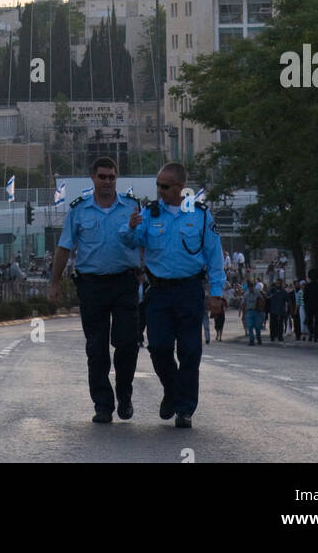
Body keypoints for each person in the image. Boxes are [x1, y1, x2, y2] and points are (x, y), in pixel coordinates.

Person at [120, 161, 225, 430]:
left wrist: (216, 294)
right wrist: (131, 227)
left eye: (165, 186)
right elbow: (131, 241)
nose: (160, 190)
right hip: (159, 293)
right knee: (159, 347)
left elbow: (214, 257)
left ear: (180, 188)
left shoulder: (200, 215)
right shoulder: (150, 213)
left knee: (190, 351)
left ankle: (184, 409)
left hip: (189, 290)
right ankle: (172, 389)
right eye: (158, 185)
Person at [49, 156, 140, 423]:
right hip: (92, 286)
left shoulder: (132, 208)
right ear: (93, 178)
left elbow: (145, 241)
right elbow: (64, 248)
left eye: (111, 177)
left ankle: (124, 396)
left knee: (127, 343)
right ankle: (103, 404)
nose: (107, 181)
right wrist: (54, 282)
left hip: (125, 283)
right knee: (96, 348)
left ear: (117, 178)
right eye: (102, 176)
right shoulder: (79, 211)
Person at [304, 268, 318, 343]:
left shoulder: (307, 286)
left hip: (309, 306)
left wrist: (306, 306)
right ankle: (316, 335)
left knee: (310, 321)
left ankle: (311, 333)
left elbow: (305, 297)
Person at [243, 278, 264, 346]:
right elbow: (243, 304)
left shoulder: (257, 292)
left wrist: (261, 308)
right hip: (249, 311)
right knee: (250, 326)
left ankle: (259, 338)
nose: (251, 289)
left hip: (257, 311)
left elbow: (262, 300)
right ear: (248, 287)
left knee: (258, 327)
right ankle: (251, 340)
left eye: (252, 287)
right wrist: (243, 314)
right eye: (250, 287)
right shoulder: (246, 294)